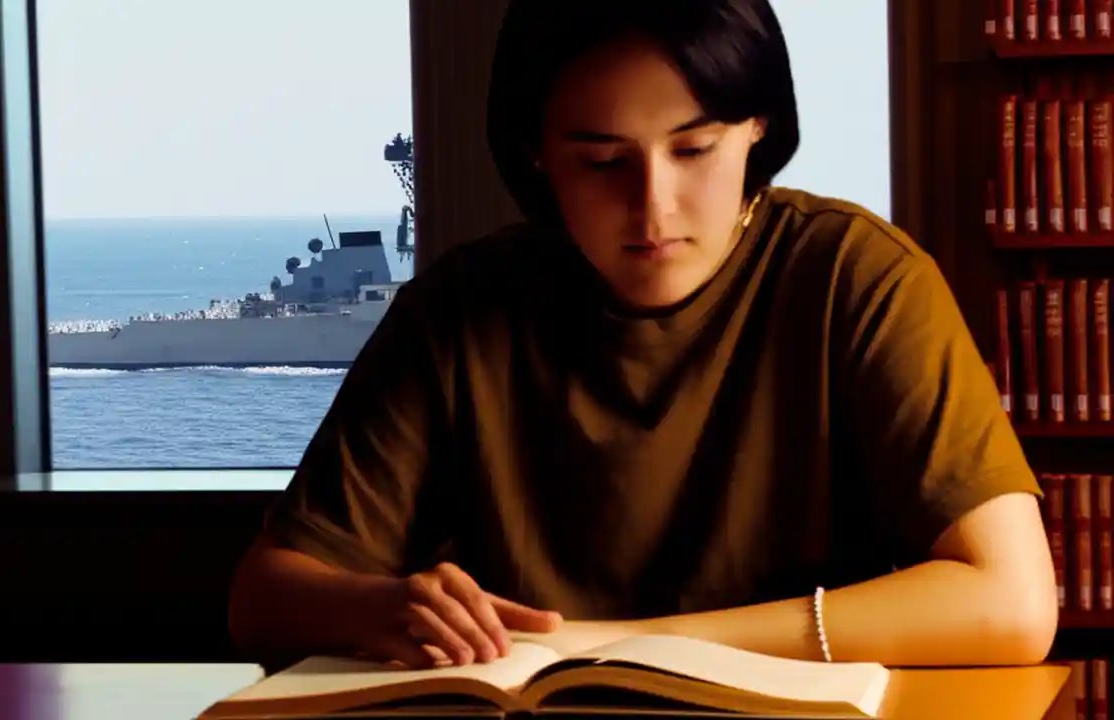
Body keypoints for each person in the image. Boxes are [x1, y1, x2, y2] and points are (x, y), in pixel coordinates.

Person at [229, 0, 1057, 672]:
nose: (653, 208)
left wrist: (633, 645)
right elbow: (262, 599)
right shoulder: (460, 307)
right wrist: (383, 606)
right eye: (601, 162)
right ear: (535, 154)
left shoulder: (858, 277)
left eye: (693, 149)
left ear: (759, 125)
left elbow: (1014, 603)